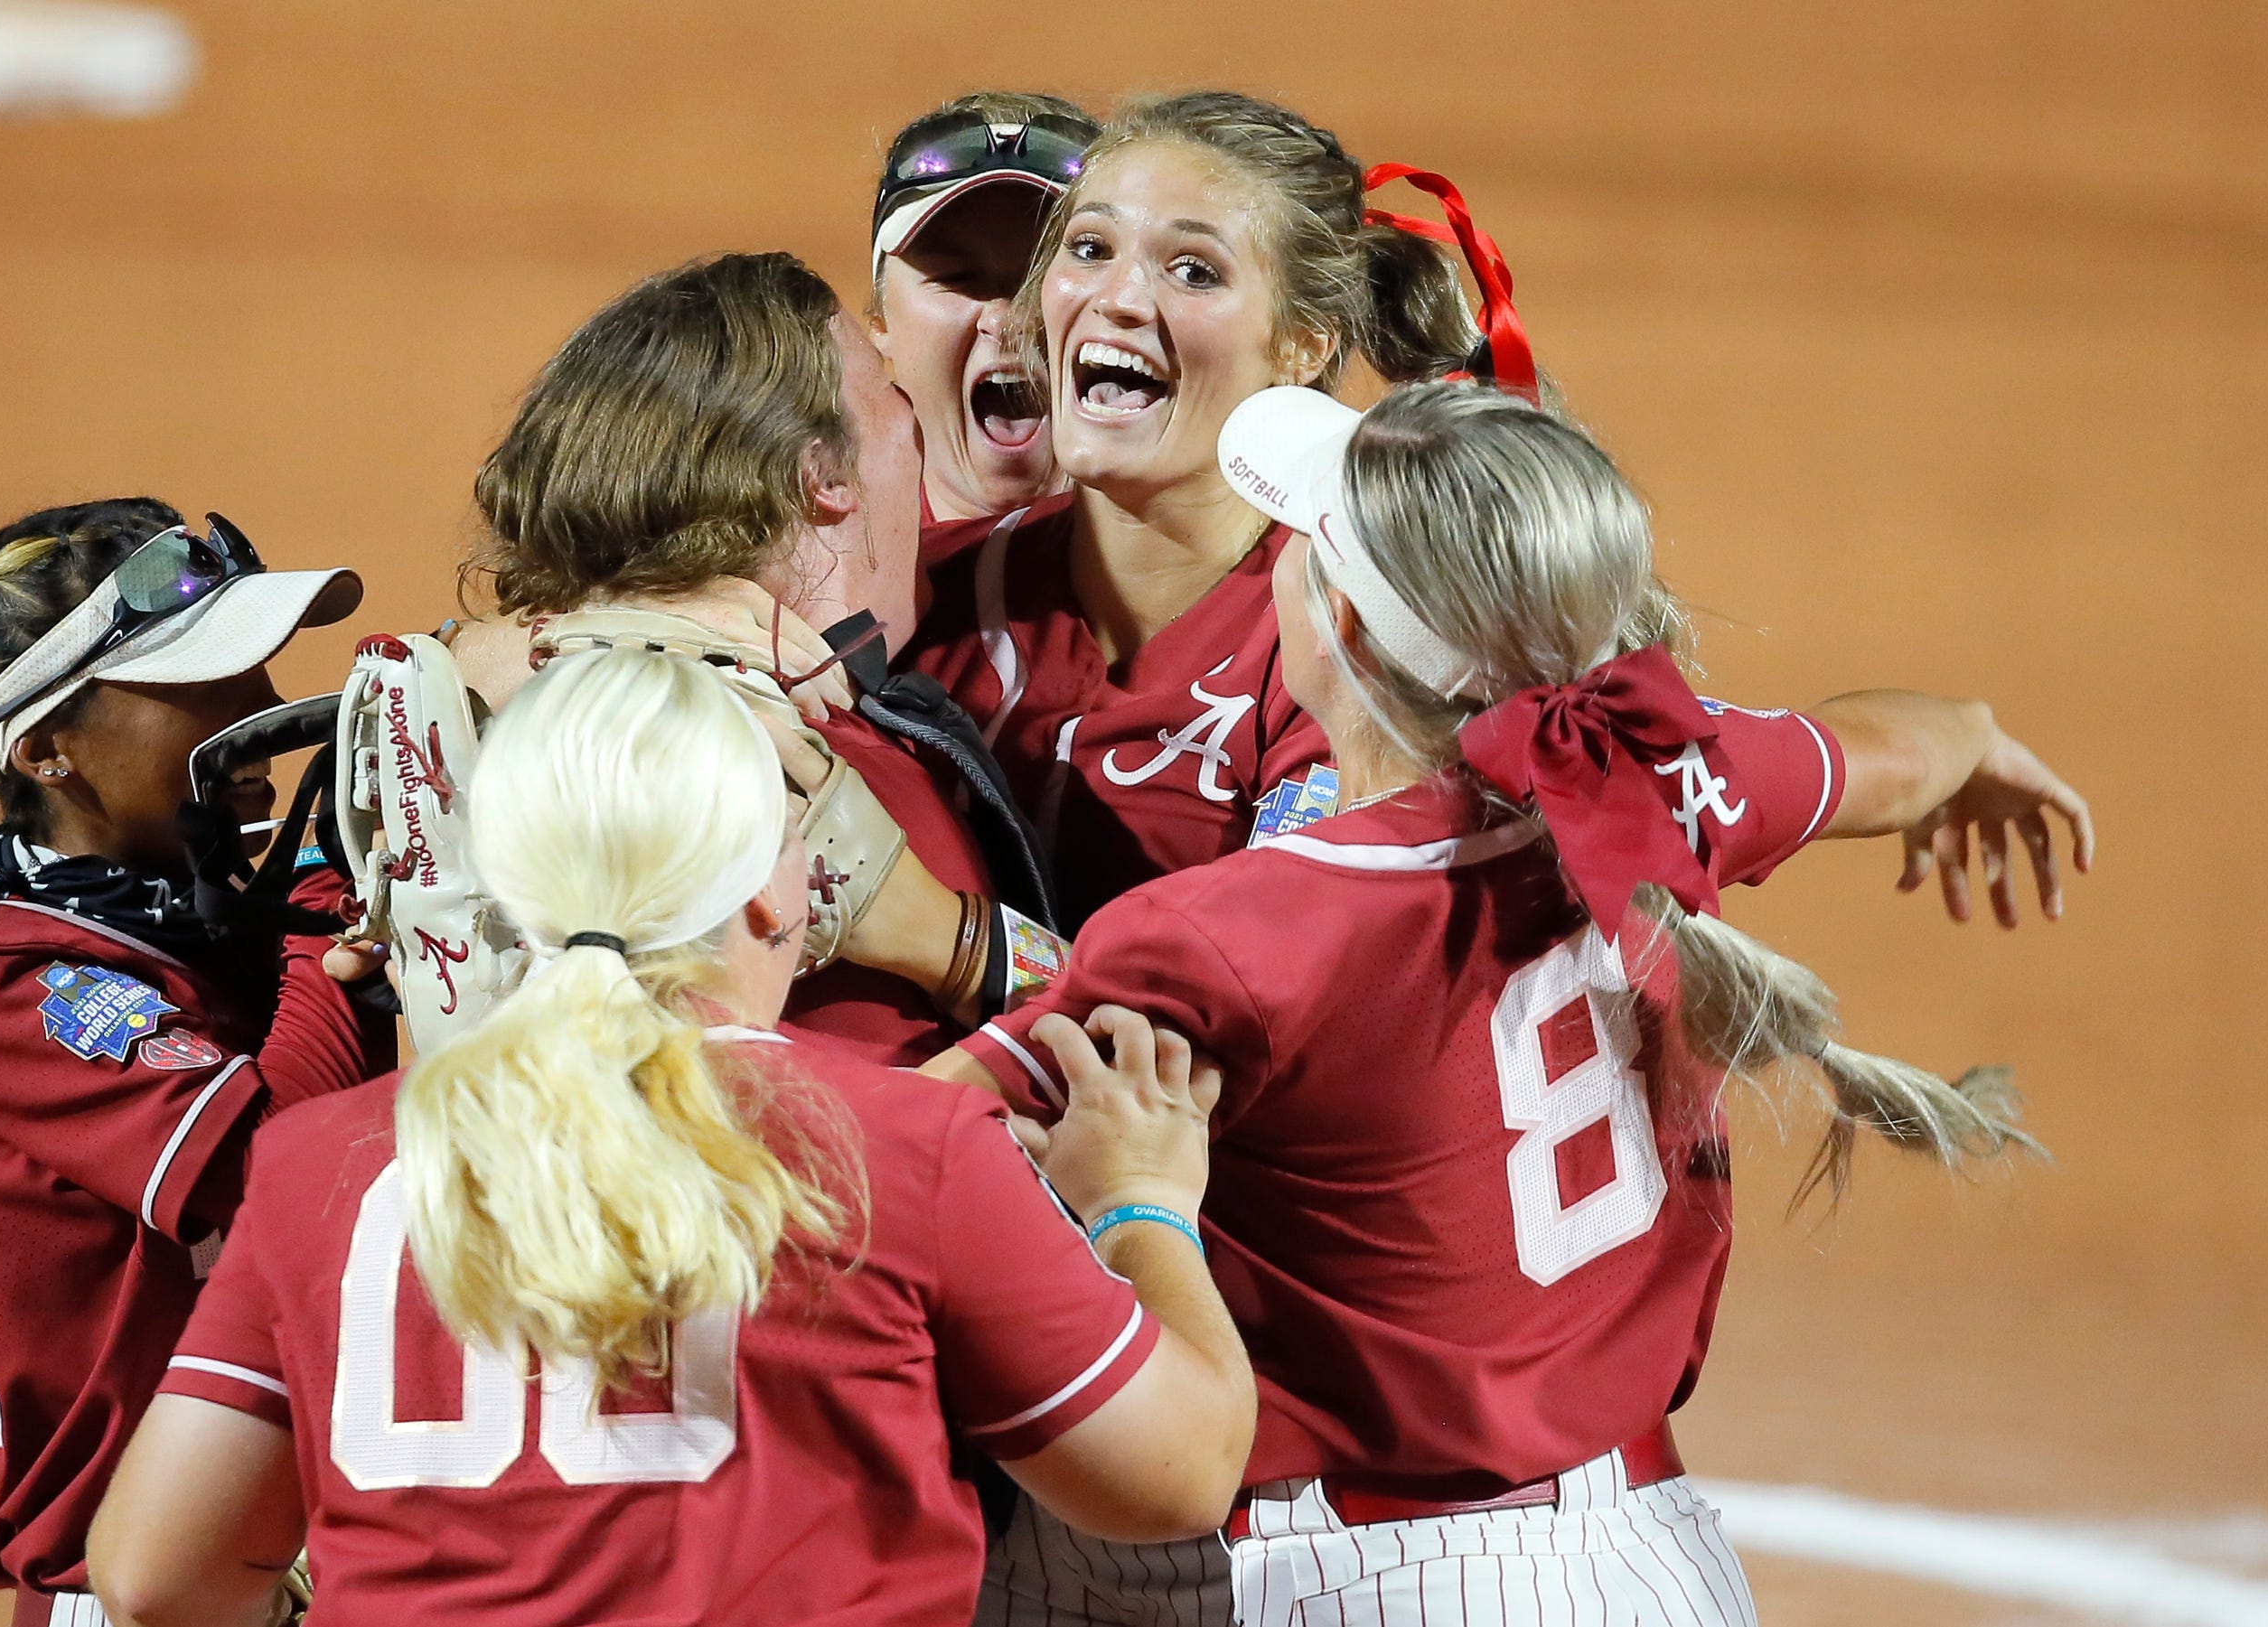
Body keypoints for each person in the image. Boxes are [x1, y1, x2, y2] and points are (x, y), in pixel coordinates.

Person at [936, 380, 2094, 1624]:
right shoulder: (1661, 786)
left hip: (1335, 1580)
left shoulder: (1236, 937)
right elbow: (1907, 746)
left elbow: (905, 1158)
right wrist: (1974, 745)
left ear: (1343, 630)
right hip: (1638, 1565)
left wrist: (1114, 1174)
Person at [84, 649, 1257, 1627]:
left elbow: (149, 1576)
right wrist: (1143, 1195)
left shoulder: (321, 1165)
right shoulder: (902, 1142)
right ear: (767, 894)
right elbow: (1177, 1475)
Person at [0, 499, 400, 1626]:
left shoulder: (216, 911)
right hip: (148, 1590)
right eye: (200, 690)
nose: (261, 714)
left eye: (254, 671)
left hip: (327, 1561)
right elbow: (270, 1173)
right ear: (46, 748)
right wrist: (333, 928)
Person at [904, 91, 1539, 932]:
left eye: (1193, 269)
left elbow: (1265, 1019)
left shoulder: (1347, 647)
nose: (1119, 297)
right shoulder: (921, 595)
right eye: (1089, 247)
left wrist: (948, 946)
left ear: (1302, 344)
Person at [446, 251, 1059, 1065]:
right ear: (825, 474)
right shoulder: (820, 779)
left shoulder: (489, 726)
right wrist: (954, 941)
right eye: (884, 384)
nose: (912, 415)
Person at [866, 91, 1098, 529]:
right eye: (958, 278)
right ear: (879, 319)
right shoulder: (807, 568)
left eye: (1041, 275)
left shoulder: (1247, 573)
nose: (1007, 320)